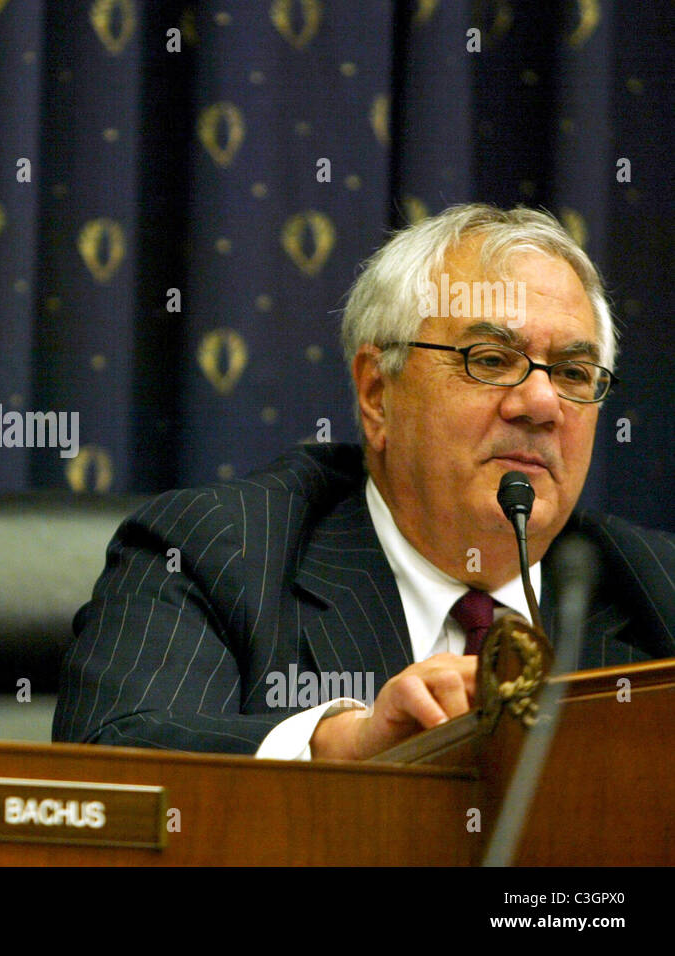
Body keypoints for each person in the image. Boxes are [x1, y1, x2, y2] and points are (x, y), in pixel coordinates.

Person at [54, 204, 675, 759]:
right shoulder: (218, 552)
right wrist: (336, 747)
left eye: (573, 372)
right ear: (378, 393)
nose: (542, 403)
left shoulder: (650, 587)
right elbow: (111, 754)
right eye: (490, 360)